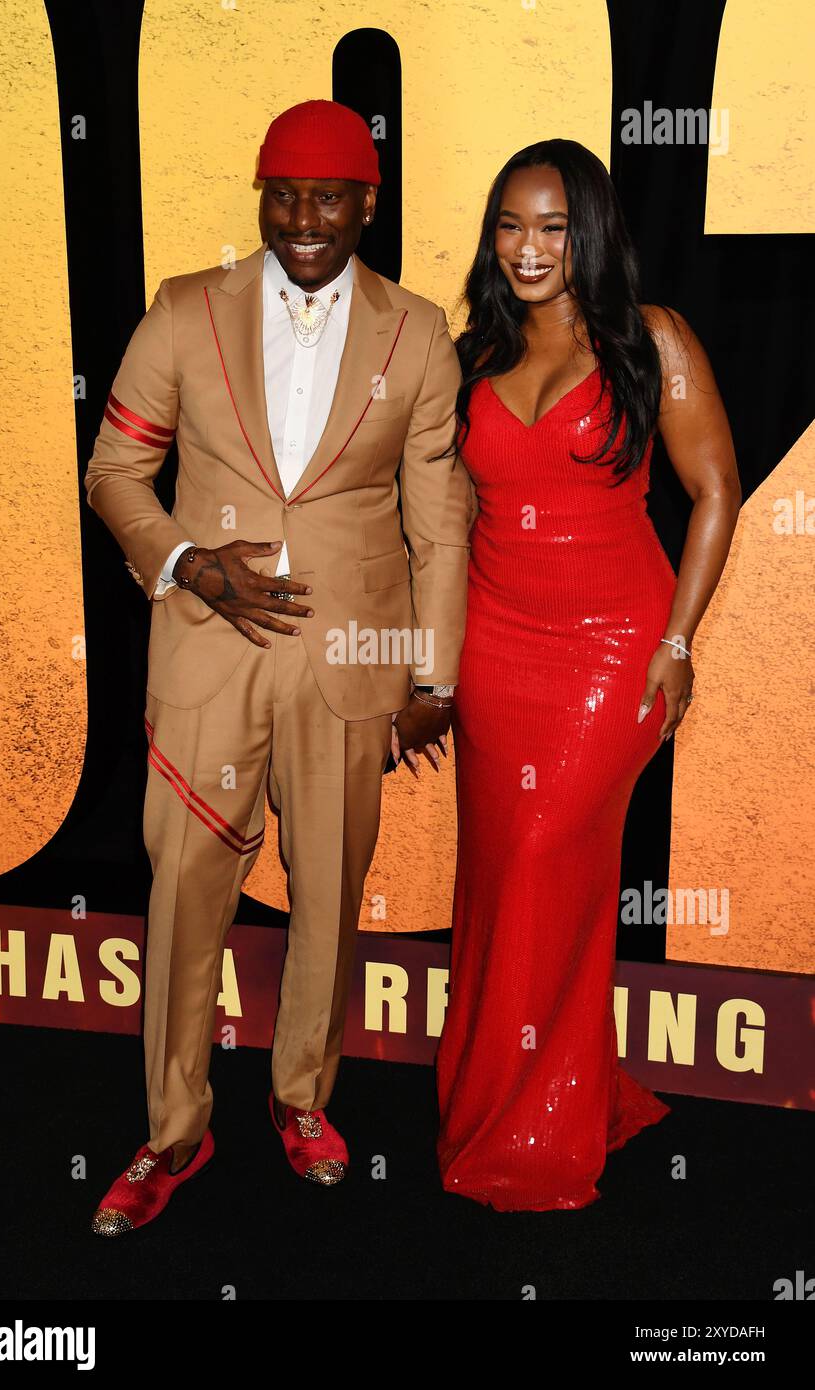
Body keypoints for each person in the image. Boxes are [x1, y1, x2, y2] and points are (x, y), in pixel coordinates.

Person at [83, 100, 473, 1236]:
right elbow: (114, 471)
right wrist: (187, 562)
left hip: (351, 663)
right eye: (283, 196)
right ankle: (170, 1129)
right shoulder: (184, 311)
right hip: (209, 652)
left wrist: (429, 673)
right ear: (263, 196)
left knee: (328, 901)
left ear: (367, 202)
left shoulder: (419, 333)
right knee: (181, 897)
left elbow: (438, 524)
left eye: (328, 198)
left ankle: (302, 1097)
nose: (303, 220)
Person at [435, 139, 741, 1211]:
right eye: (510, 225)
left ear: (591, 233)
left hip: (613, 654)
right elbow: (448, 524)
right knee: (501, 878)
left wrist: (676, 642)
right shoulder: (470, 356)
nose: (527, 248)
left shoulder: (652, 342)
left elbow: (714, 491)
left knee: (542, 859)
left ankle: (533, 1129)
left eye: (553, 226)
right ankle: (523, 1092)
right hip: (491, 650)